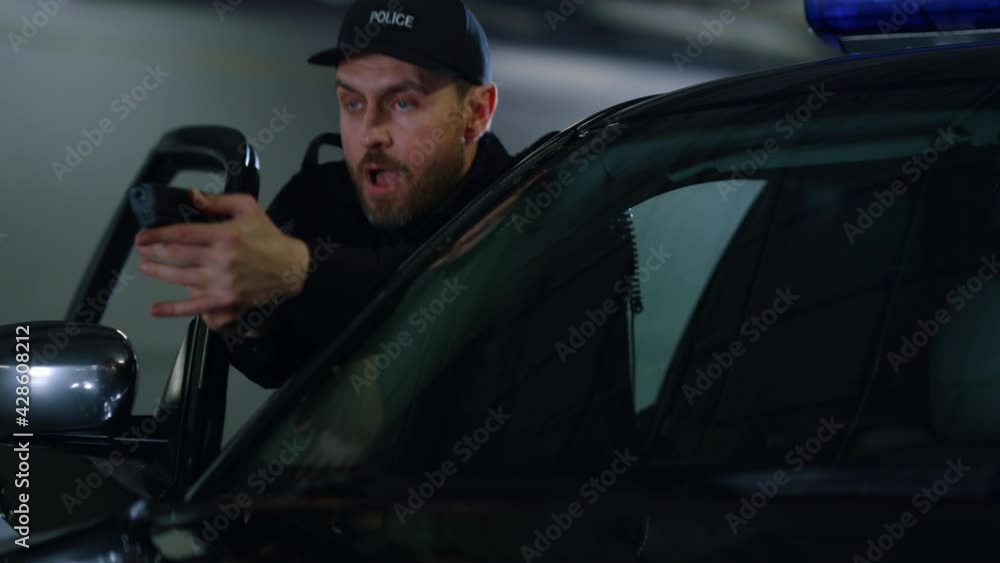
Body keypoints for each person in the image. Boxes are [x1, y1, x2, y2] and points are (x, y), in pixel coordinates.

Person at [135, 0, 553, 388]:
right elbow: (282, 363)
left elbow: (457, 284)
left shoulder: (538, 203)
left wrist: (300, 270)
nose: (370, 133)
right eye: (353, 103)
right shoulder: (322, 197)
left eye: (403, 103)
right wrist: (251, 318)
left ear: (476, 113)